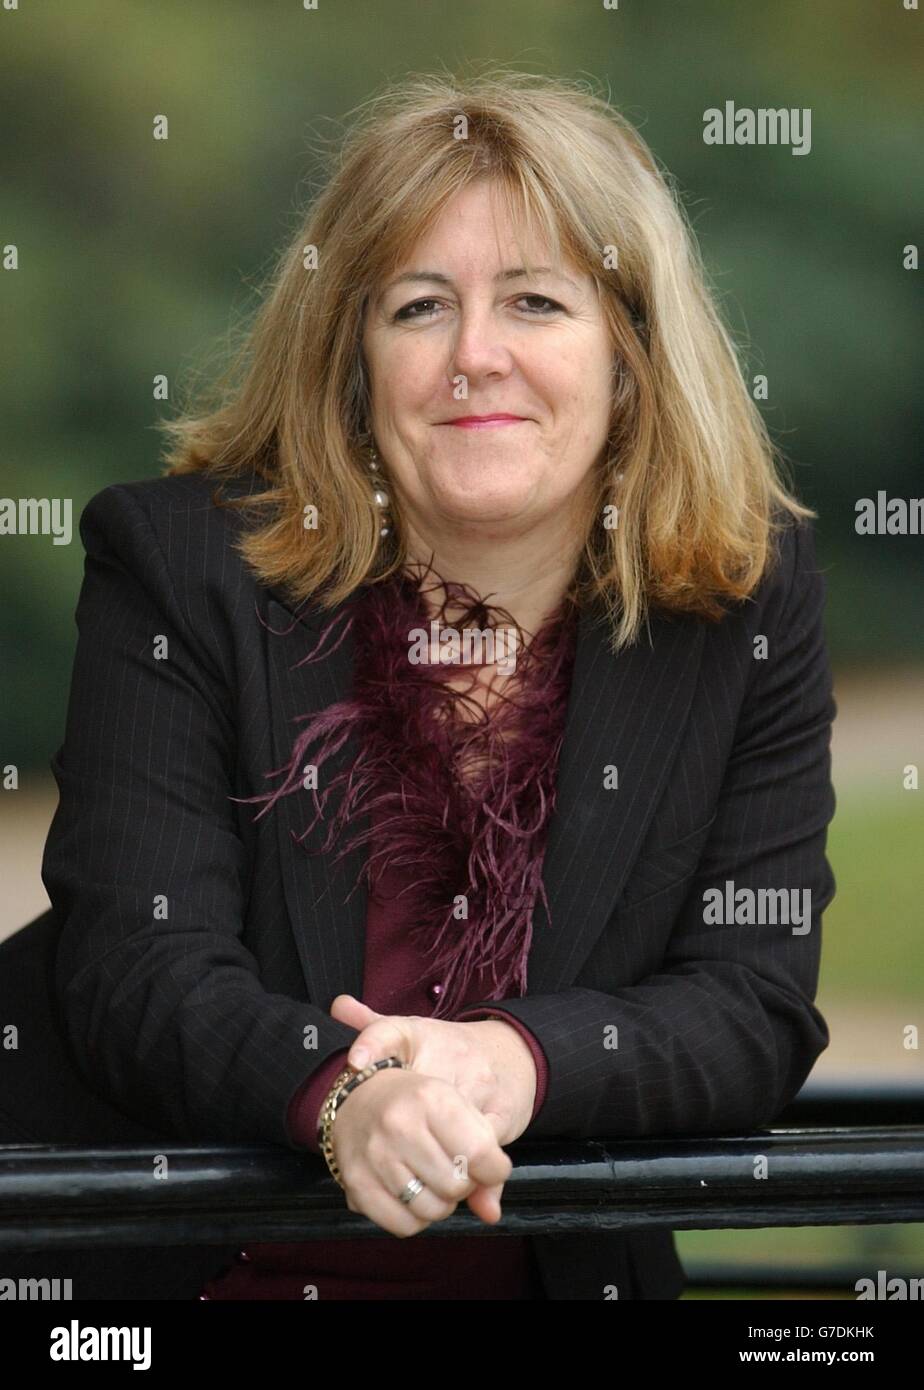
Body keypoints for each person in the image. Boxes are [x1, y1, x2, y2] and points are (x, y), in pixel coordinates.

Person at [42, 69, 837, 1300]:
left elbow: (752, 1002)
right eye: (419, 308)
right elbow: (134, 971)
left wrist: (507, 1060)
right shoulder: (179, 567)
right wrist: (346, 1092)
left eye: (534, 301)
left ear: (630, 354)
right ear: (352, 360)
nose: (476, 357)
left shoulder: (742, 602)